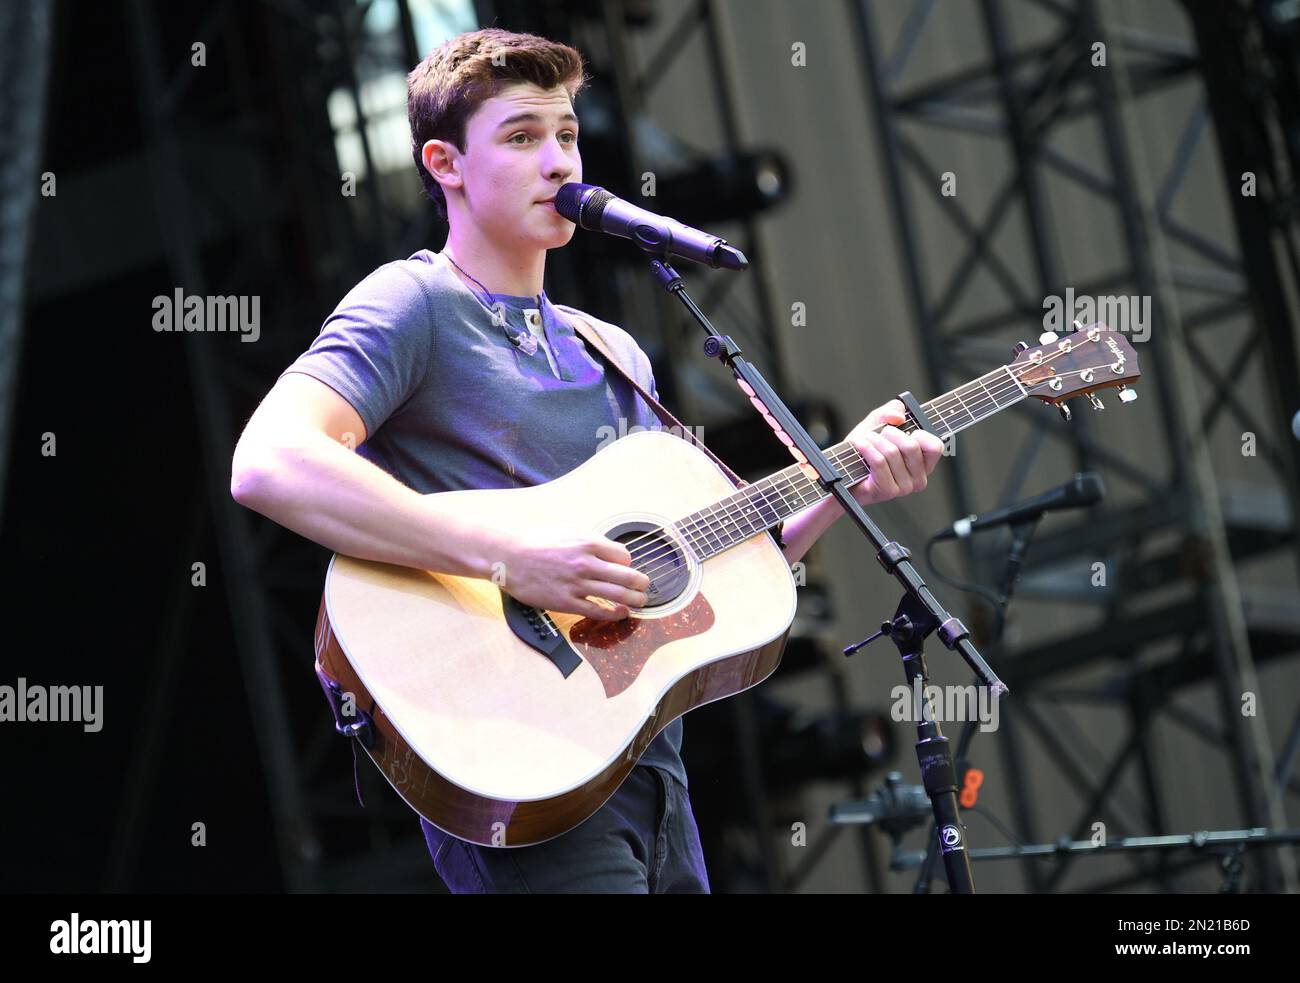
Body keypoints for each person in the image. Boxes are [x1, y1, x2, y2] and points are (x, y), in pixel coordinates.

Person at [230, 27, 945, 893]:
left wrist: (845, 481)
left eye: (566, 134)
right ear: (445, 164)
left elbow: (717, 564)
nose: (560, 161)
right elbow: (269, 462)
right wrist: (512, 558)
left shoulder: (611, 350)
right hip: (512, 751)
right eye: (523, 137)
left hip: (647, 765)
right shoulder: (412, 302)